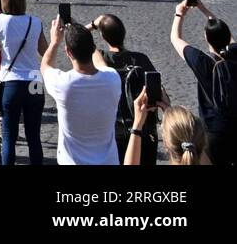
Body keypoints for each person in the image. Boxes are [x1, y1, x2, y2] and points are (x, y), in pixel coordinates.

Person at [39, 19, 119, 164]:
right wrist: (86, 30)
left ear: (68, 52)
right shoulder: (113, 79)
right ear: (93, 48)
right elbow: (100, 63)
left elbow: (45, 66)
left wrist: (55, 42)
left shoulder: (63, 84)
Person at [0, 0, 48, 165]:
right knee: (34, 136)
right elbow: (44, 51)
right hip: (34, 80)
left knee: (9, 137)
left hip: (11, 81)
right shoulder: (35, 22)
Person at [170, 0, 237, 166]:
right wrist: (205, 10)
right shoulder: (235, 53)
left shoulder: (203, 61)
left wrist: (179, 13)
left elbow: (175, 39)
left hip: (213, 131)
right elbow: (227, 35)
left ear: (206, 38)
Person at [90, 13, 159, 164]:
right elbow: (157, 91)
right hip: (144, 131)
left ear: (103, 36)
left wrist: (93, 24)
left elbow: (79, 40)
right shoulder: (141, 59)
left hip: (114, 131)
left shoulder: (100, 58)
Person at [124, 91, 209, 165]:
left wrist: (137, 124)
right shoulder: (198, 147)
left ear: (165, 143)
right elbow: (196, 144)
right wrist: (170, 115)